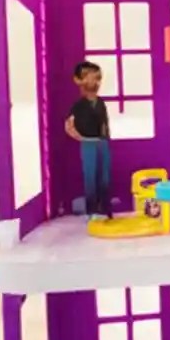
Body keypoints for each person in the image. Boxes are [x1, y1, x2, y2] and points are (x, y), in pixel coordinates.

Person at [66, 61, 113, 221]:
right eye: (89, 78)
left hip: (102, 143)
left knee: (105, 176)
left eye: (97, 79)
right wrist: (80, 137)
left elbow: (105, 123)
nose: (94, 83)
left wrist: (105, 138)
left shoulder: (100, 103)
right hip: (88, 143)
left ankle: (105, 208)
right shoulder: (78, 106)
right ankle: (91, 210)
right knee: (90, 176)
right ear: (78, 80)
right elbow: (69, 125)